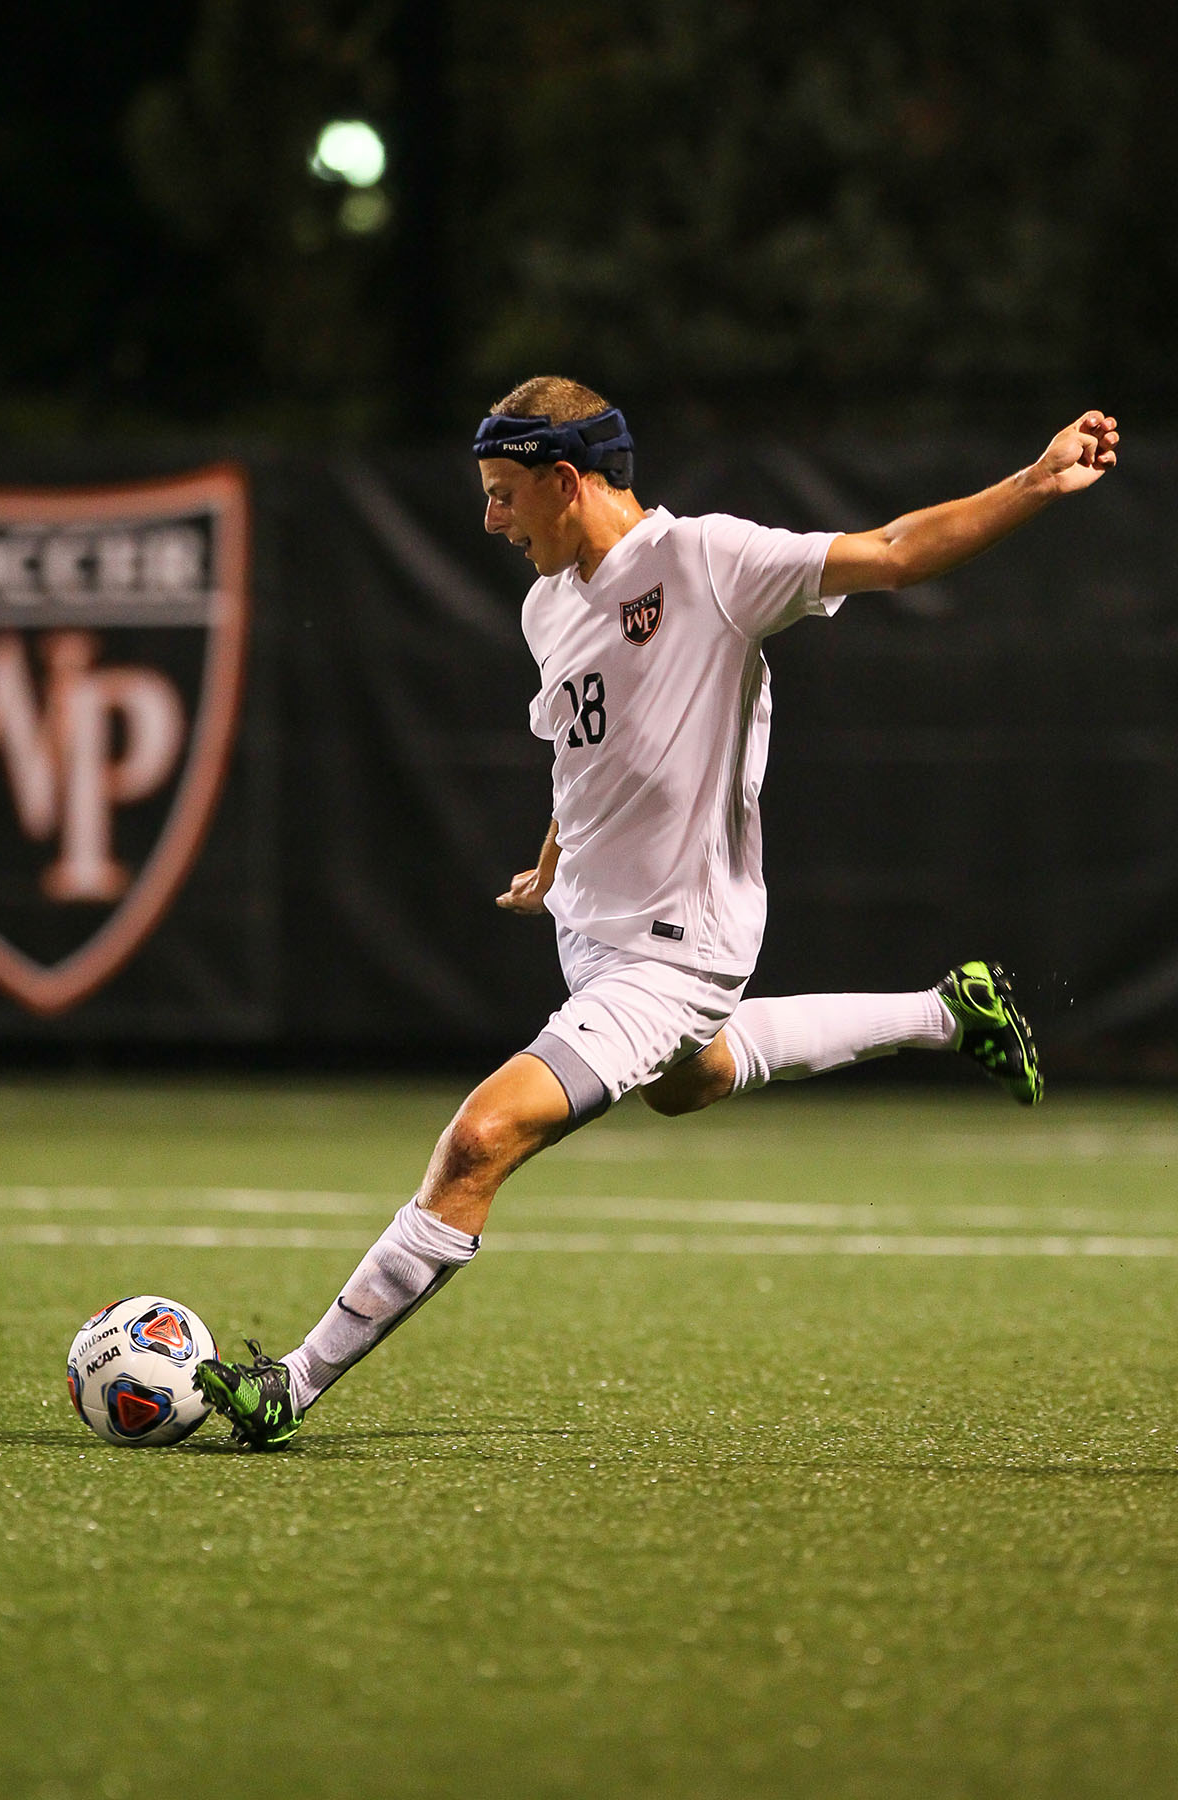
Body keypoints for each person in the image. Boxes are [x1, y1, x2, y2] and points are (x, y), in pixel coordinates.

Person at [195, 377, 1119, 1449]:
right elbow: (580, 751)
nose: (489, 521)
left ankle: (290, 1386)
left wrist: (1037, 483)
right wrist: (551, 860)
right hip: (590, 935)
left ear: (566, 480)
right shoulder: (551, 601)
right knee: (697, 1080)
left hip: (675, 955)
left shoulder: (706, 564)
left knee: (480, 1141)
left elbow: (896, 550)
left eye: (503, 495)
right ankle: (947, 1012)